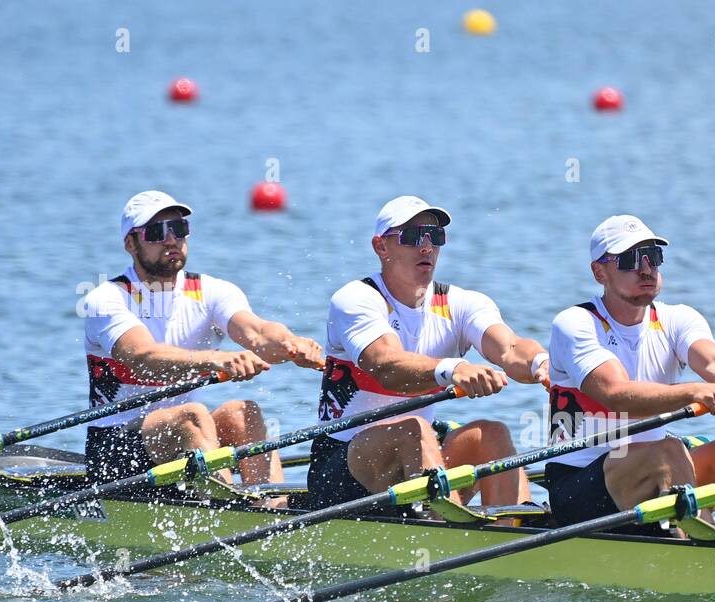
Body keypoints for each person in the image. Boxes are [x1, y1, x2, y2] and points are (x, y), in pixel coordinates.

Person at [309, 196, 548, 511]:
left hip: (418, 460)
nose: (426, 247)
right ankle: (438, 526)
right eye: (412, 237)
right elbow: (386, 364)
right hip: (342, 467)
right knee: (414, 429)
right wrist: (452, 369)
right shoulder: (356, 299)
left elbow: (510, 348)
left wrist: (542, 364)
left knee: (492, 433)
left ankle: (515, 526)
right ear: (381, 247)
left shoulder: (461, 304)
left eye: (435, 237)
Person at [545, 215, 715, 533]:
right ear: (599, 271)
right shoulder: (575, 323)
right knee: (669, 450)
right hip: (577, 485)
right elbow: (615, 393)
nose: (646, 269)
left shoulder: (678, 319)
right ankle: (702, 555)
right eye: (629, 260)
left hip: (647, 471)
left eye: (653, 257)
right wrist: (693, 392)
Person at [82, 190, 322, 489]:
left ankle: (270, 504)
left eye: (179, 229)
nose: (171, 240)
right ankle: (230, 510)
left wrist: (291, 344)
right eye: (157, 232)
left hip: (183, 438)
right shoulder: (107, 298)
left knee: (241, 412)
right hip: (115, 447)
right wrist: (218, 359)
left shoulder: (210, 291)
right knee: (192, 415)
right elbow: (142, 357)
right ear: (131, 244)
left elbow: (256, 332)